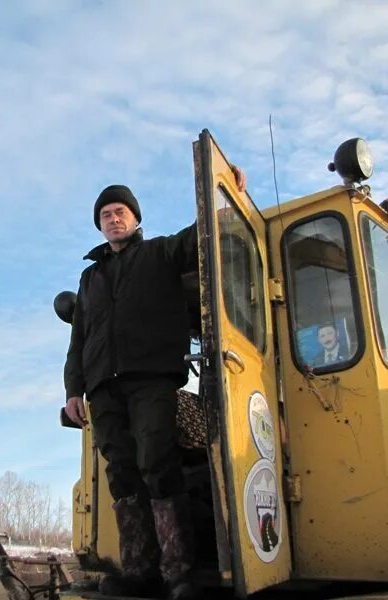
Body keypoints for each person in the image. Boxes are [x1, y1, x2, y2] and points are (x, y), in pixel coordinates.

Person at [63, 168, 246, 600]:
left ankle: (178, 574)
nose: (113, 219)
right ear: (100, 224)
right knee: (121, 474)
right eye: (106, 214)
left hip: (150, 380)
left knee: (157, 465)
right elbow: (79, 339)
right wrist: (74, 389)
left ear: (135, 218)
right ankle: (139, 570)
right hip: (102, 388)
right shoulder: (90, 279)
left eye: (120, 211)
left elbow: (199, 238)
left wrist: (228, 198)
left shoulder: (160, 254)